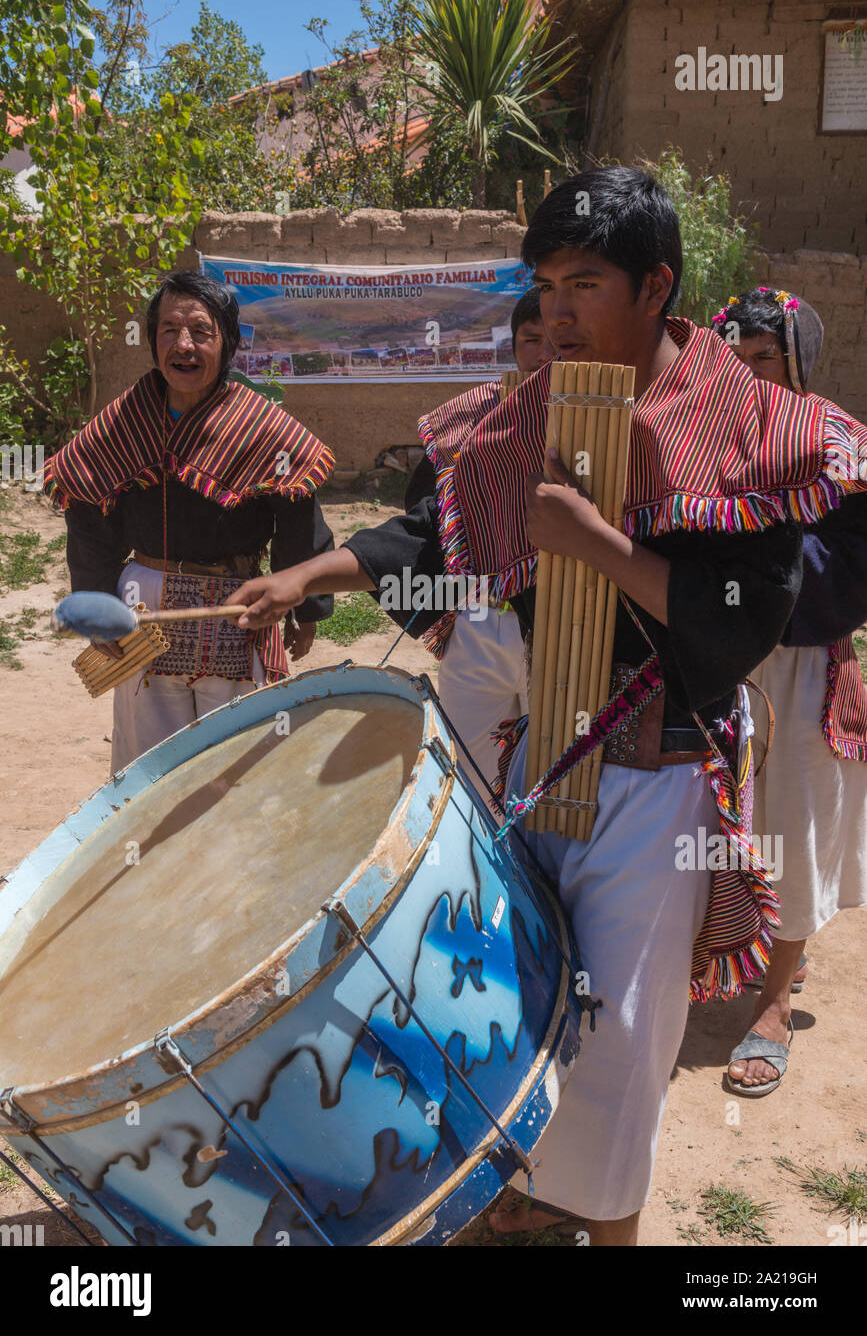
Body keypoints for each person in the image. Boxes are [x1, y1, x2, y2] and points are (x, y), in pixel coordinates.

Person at [225, 168, 867, 1245]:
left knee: (615, 1045)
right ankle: (513, 1199)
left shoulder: (750, 425)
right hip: (540, 767)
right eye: (545, 286)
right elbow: (439, 535)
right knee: (504, 1007)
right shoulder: (533, 415)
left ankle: (603, 1229)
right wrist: (307, 579)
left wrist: (605, 548)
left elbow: (749, 614)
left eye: (585, 284)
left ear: (656, 285)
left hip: (660, 782)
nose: (558, 312)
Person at [43, 270, 335, 773]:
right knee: (149, 767)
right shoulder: (122, 424)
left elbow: (298, 516)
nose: (184, 345)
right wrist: (97, 606)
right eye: (169, 331)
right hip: (140, 609)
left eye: (201, 331)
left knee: (238, 763)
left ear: (228, 343)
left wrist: (305, 608)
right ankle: (150, 852)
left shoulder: (263, 428)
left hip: (240, 608)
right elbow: (87, 516)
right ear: (152, 341)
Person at [712, 287, 867, 1095]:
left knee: (793, 830)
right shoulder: (695, 444)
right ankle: (740, 949)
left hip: (801, 666)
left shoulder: (842, 448)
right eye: (729, 359)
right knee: (718, 825)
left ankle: (773, 1003)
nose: (745, 374)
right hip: (714, 665)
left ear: (797, 361)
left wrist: (752, 563)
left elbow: (849, 567)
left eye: (763, 358)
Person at [405, 287, 555, 797]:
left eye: (555, 338)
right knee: (471, 773)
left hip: (569, 630)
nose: (543, 353)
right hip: (481, 620)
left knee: (554, 781)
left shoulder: (607, 419)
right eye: (530, 339)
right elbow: (426, 512)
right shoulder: (469, 422)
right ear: (512, 346)